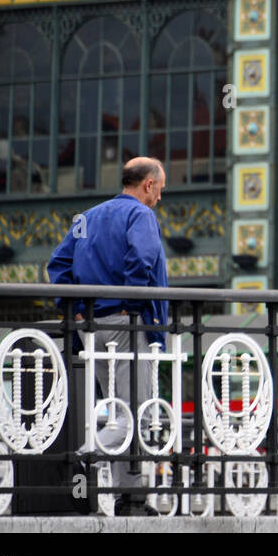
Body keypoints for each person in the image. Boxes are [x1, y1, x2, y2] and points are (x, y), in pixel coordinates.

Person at [46, 156, 169, 515]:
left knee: (118, 412)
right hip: (127, 324)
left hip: (92, 328)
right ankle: (86, 456)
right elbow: (142, 255)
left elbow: (58, 264)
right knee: (139, 415)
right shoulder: (140, 215)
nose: (159, 199)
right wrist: (132, 302)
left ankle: (127, 499)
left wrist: (78, 308)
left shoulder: (88, 217)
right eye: (159, 190)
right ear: (148, 185)